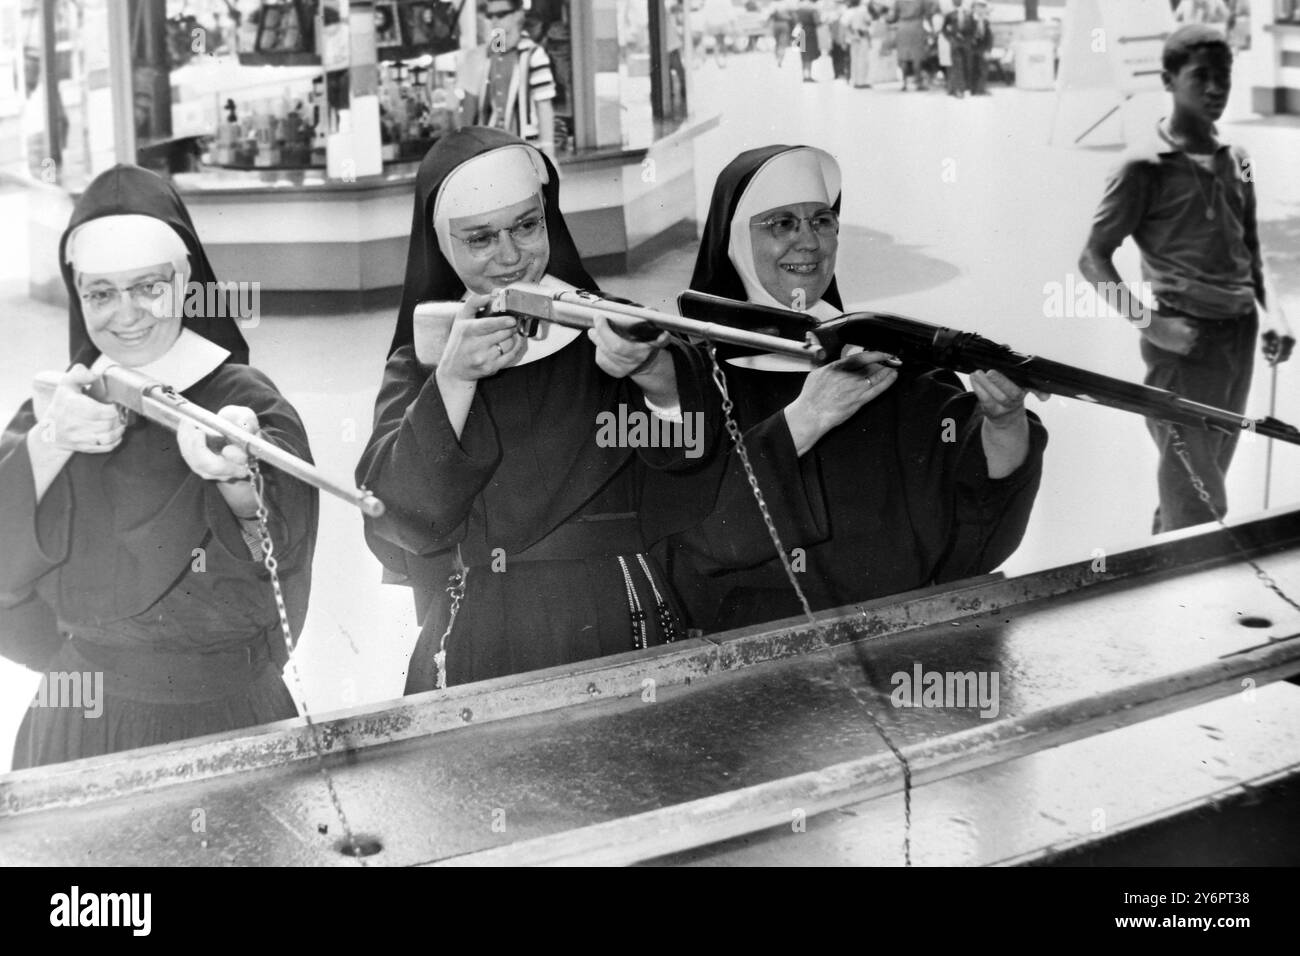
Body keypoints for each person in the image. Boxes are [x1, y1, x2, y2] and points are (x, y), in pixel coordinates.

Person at [356, 127, 714, 690]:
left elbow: (693, 466)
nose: (510, 256)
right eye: (480, 238)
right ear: (445, 246)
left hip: (617, 607)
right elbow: (396, 521)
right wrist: (452, 383)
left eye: (527, 225)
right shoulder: (424, 358)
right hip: (482, 624)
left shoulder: (612, 328)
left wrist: (657, 376)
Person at [0, 165, 318, 769]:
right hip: (84, 715)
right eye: (100, 293)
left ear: (186, 283)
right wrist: (49, 443)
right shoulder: (59, 405)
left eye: (149, 287)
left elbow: (285, 546)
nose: (127, 316)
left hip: (225, 706)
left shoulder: (247, 401)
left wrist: (235, 479)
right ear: (79, 295)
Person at [667, 145, 1047, 633]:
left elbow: (973, 507)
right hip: (755, 651)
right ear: (737, 240)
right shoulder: (692, 375)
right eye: (781, 223)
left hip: (902, 641)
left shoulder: (887, 360)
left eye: (822, 221)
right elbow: (690, 540)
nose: (808, 242)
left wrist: (1004, 421)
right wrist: (804, 420)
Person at [1079, 25, 1292, 534]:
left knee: (1200, 479)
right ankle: (1182, 598)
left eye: (1225, 77)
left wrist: (1275, 316)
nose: (1216, 88)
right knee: (1199, 497)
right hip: (1183, 346)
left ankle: (1163, 581)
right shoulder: (1143, 167)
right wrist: (1150, 326)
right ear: (1168, 80)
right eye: (1202, 77)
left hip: (1236, 342)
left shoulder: (1236, 160)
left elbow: (1250, 250)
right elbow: (1093, 258)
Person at [455, 0, 557, 161]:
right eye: (490, 15)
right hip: (490, 150)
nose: (495, 20)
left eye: (501, 14)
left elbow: (544, 106)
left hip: (524, 148)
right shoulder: (487, 56)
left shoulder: (532, 54)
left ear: (518, 14)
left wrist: (549, 153)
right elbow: (470, 105)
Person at [888, 0, 936, 91]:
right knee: (916, 56)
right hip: (916, 26)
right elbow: (928, 15)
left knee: (903, 56)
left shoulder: (898, 1)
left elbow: (893, 17)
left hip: (902, 27)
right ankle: (918, 83)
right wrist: (932, 29)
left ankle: (904, 83)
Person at [942, 0, 977, 97]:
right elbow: (944, 29)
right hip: (955, 43)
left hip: (966, 43)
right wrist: (950, 38)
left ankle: (967, 88)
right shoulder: (950, 15)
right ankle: (958, 90)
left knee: (967, 65)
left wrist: (970, 39)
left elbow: (974, 28)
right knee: (957, 66)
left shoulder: (969, 14)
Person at [793, 0, 822, 82]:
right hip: (810, 31)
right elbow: (817, 21)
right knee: (809, 54)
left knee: (803, 54)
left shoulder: (798, 8)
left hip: (801, 31)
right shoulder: (813, 8)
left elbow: (795, 20)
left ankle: (804, 75)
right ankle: (808, 75)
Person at [969, 0, 994, 95]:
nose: (981, 9)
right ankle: (973, 89)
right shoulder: (970, 19)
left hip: (983, 48)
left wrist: (988, 50)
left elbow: (989, 37)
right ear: (974, 8)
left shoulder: (985, 21)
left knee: (983, 68)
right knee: (973, 68)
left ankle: (981, 89)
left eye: (983, 7)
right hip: (972, 48)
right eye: (978, 7)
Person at [846, 0, 872, 88]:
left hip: (853, 36)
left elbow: (845, 24)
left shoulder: (848, 11)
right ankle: (862, 81)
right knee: (863, 59)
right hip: (862, 35)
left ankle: (855, 81)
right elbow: (869, 21)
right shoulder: (863, 10)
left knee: (854, 59)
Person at [769, 0, 795, 66]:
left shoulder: (772, 4)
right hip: (785, 24)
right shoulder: (787, 4)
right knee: (783, 43)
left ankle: (777, 57)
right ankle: (780, 59)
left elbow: (770, 15)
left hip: (776, 24)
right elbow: (793, 15)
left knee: (777, 42)